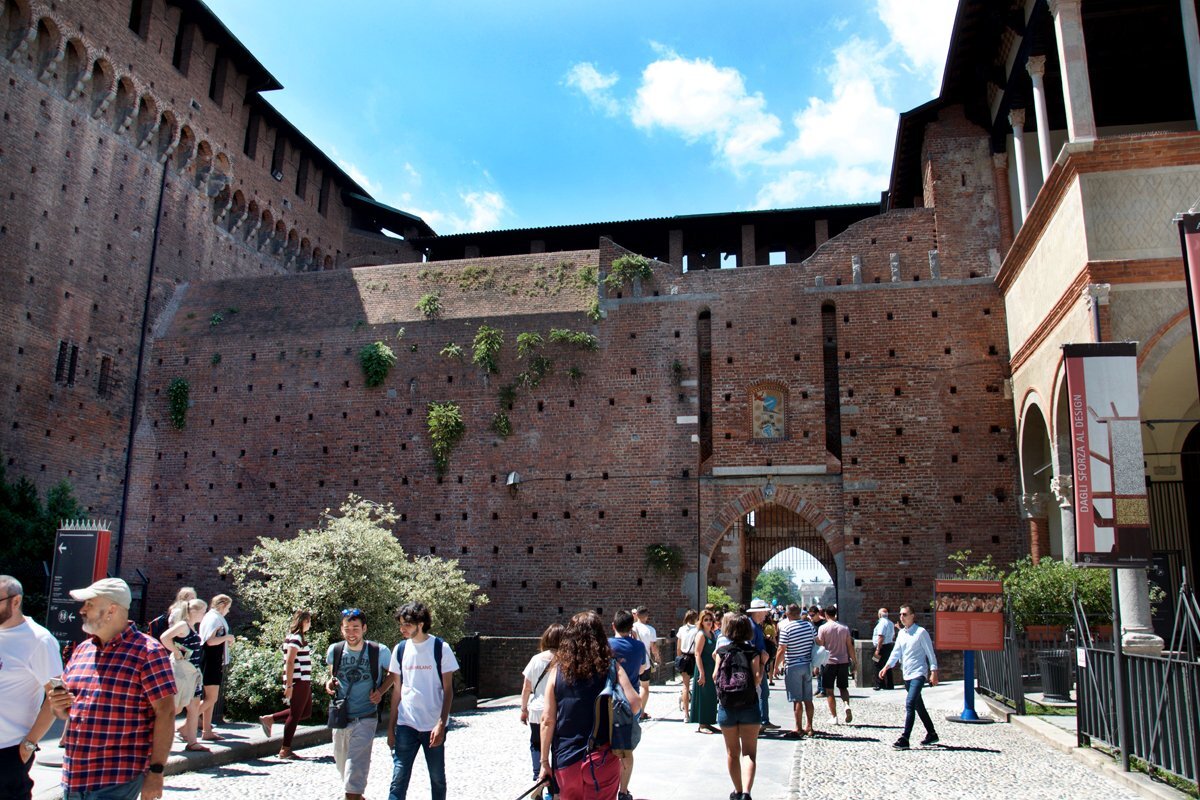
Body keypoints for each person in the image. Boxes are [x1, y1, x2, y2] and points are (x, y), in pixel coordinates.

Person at [48, 578, 177, 800]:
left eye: (89, 604)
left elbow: (166, 713)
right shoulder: (82, 650)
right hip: (74, 777)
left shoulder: (148, 652)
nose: (82, 610)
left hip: (116, 778)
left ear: (111, 610)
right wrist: (58, 706)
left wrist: (156, 772)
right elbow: (66, 712)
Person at [537, 611, 640, 800]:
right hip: (602, 756)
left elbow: (547, 720)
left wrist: (544, 762)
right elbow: (634, 703)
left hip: (566, 758)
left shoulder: (557, 671)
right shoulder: (611, 667)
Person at [387, 601, 459, 800]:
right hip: (406, 724)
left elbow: (448, 690)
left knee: (437, 779)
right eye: (401, 624)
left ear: (420, 624)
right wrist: (391, 727)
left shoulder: (440, 648)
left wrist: (441, 723)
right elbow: (397, 692)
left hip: (432, 724)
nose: (402, 629)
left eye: (407, 625)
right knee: (398, 778)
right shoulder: (400, 650)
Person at [0, 575, 64, 800]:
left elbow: (57, 693)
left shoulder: (39, 640)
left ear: (15, 601)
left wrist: (29, 744)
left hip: (8, 753)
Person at [326, 609, 390, 800]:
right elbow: (332, 675)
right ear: (341, 630)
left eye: (356, 628)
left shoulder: (379, 651)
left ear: (364, 628)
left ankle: (352, 796)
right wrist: (329, 683)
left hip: (366, 716)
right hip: (341, 717)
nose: (351, 633)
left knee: (355, 768)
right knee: (342, 765)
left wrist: (380, 691)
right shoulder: (335, 650)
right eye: (347, 629)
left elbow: (394, 674)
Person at [715, 614, 761, 800]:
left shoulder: (722, 651)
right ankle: (747, 793)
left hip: (727, 707)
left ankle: (737, 790)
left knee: (732, 753)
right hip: (749, 705)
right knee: (749, 753)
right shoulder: (752, 652)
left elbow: (714, 677)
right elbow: (757, 677)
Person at [881, 604, 939, 749]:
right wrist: (886, 666)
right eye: (900, 614)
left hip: (919, 673)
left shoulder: (921, 632)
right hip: (906, 674)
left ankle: (905, 738)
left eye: (905, 614)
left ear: (913, 615)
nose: (902, 617)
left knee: (910, 703)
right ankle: (932, 733)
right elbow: (896, 652)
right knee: (919, 706)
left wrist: (933, 671)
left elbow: (930, 653)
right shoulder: (901, 633)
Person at [259, 610, 314, 759]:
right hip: (299, 680)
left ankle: (270, 718)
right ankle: (285, 749)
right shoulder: (296, 638)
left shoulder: (295, 637)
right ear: (303, 621)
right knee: (296, 714)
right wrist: (289, 685)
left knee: (305, 712)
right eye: (308, 621)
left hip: (303, 679)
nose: (310, 624)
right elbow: (290, 661)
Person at [520, 623, 564, 800]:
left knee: (536, 745)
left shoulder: (536, 659)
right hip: (557, 711)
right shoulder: (565, 659)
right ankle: (554, 789)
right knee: (556, 749)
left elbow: (526, 687)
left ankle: (538, 779)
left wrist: (523, 709)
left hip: (537, 710)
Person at [160, 598, 209, 753]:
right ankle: (157, 737)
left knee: (194, 706)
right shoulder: (183, 625)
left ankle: (192, 741)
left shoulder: (193, 627)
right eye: (203, 611)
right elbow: (164, 637)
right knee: (176, 707)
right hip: (182, 671)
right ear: (193, 611)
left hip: (192, 672)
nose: (204, 614)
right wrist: (175, 651)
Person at [608, 610, 646, 800]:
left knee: (606, 745)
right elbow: (642, 669)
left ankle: (607, 787)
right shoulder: (639, 647)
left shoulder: (606, 645)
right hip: (631, 702)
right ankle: (623, 791)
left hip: (608, 701)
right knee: (626, 749)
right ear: (631, 627)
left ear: (613, 625)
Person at [773, 603, 816, 739]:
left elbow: (781, 649)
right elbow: (818, 641)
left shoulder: (787, 628)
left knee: (797, 699)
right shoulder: (809, 626)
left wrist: (776, 666)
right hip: (807, 665)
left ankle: (798, 728)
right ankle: (809, 726)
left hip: (793, 666)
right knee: (808, 698)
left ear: (788, 614)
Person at [198, 594, 234, 741]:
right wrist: (227, 637)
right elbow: (211, 641)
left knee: (209, 698)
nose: (229, 611)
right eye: (228, 607)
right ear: (223, 605)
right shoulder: (214, 618)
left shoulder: (210, 617)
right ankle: (187, 723)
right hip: (211, 660)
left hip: (211, 659)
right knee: (211, 698)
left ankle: (207, 730)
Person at [815, 605, 855, 726]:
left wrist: (816, 664)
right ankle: (846, 704)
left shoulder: (823, 628)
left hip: (829, 662)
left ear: (826, 614)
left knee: (829, 691)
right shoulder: (844, 628)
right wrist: (854, 661)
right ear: (835, 614)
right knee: (843, 687)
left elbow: (821, 646)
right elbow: (849, 646)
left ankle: (834, 716)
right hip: (843, 661)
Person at [745, 599, 776, 730]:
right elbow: (749, 647)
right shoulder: (752, 627)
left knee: (763, 692)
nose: (765, 614)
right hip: (756, 665)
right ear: (758, 612)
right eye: (764, 611)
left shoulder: (756, 625)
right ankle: (761, 720)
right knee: (761, 692)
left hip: (760, 663)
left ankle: (763, 720)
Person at [689, 609, 719, 734]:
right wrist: (701, 673)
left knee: (711, 696)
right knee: (703, 694)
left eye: (710, 619)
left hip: (711, 667)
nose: (708, 622)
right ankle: (702, 724)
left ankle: (708, 721)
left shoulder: (712, 634)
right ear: (701, 621)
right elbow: (697, 654)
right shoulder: (701, 634)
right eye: (706, 620)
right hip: (703, 667)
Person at [630, 607, 657, 722]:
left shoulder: (632, 628)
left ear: (636, 615)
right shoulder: (650, 629)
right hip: (645, 661)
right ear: (646, 616)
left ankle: (632, 711)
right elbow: (653, 647)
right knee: (644, 687)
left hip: (632, 661)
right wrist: (657, 657)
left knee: (631, 686)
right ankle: (641, 712)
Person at [674, 609, 698, 717]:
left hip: (684, 657)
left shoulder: (682, 629)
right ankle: (696, 711)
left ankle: (686, 714)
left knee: (685, 686)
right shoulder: (698, 630)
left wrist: (679, 659)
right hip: (695, 657)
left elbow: (678, 648)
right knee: (698, 685)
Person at [872, 608, 896, 691]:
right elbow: (893, 636)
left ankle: (879, 684)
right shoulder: (891, 623)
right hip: (889, 646)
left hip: (880, 647)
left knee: (876, 663)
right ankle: (890, 684)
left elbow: (881, 636)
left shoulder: (881, 623)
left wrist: (878, 649)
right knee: (888, 664)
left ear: (879, 615)